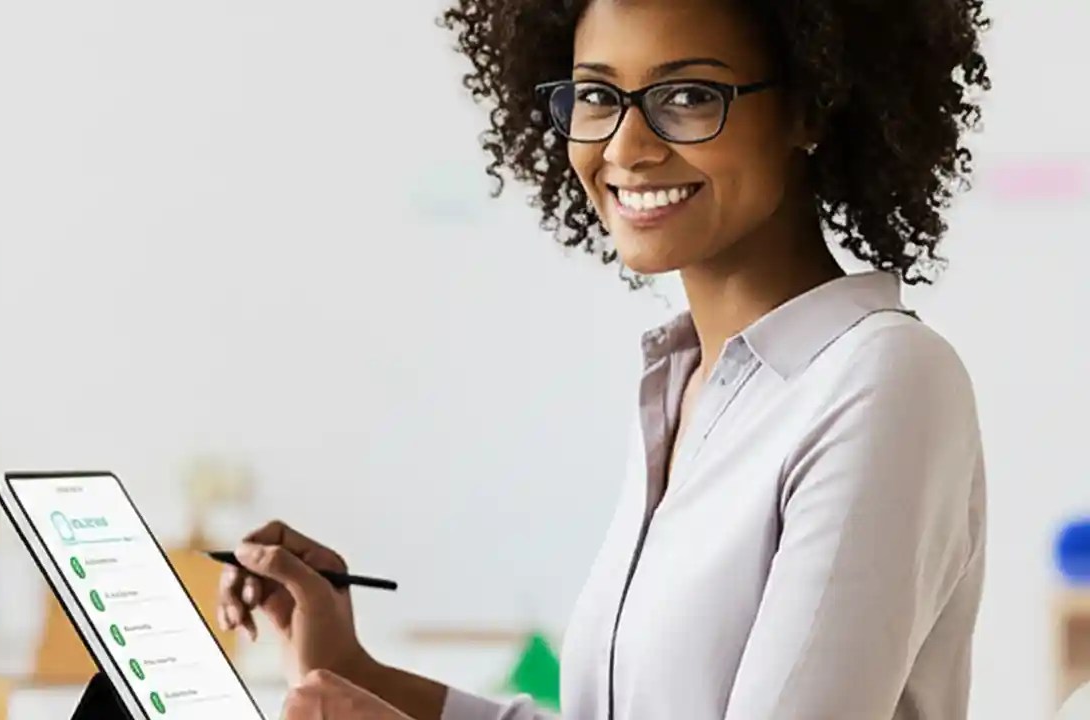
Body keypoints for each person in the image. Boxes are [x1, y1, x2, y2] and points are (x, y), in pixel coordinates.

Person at [219, 0, 992, 717]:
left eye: (688, 95)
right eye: (596, 95)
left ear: (808, 106)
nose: (625, 147)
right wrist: (351, 670)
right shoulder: (686, 382)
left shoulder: (883, 382)